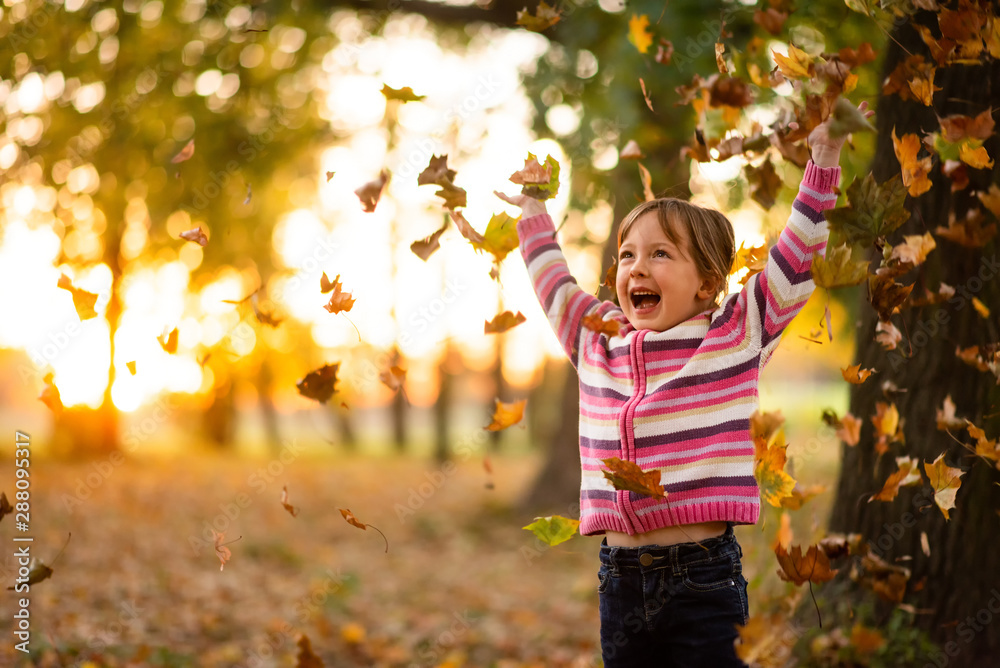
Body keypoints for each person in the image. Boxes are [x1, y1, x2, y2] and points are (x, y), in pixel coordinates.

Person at [496, 100, 873, 667]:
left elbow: (796, 259)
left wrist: (824, 157)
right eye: (626, 255)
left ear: (707, 284)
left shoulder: (733, 336)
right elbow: (553, 286)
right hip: (618, 580)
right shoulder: (598, 340)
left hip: (703, 579)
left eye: (660, 254)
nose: (635, 267)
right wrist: (532, 214)